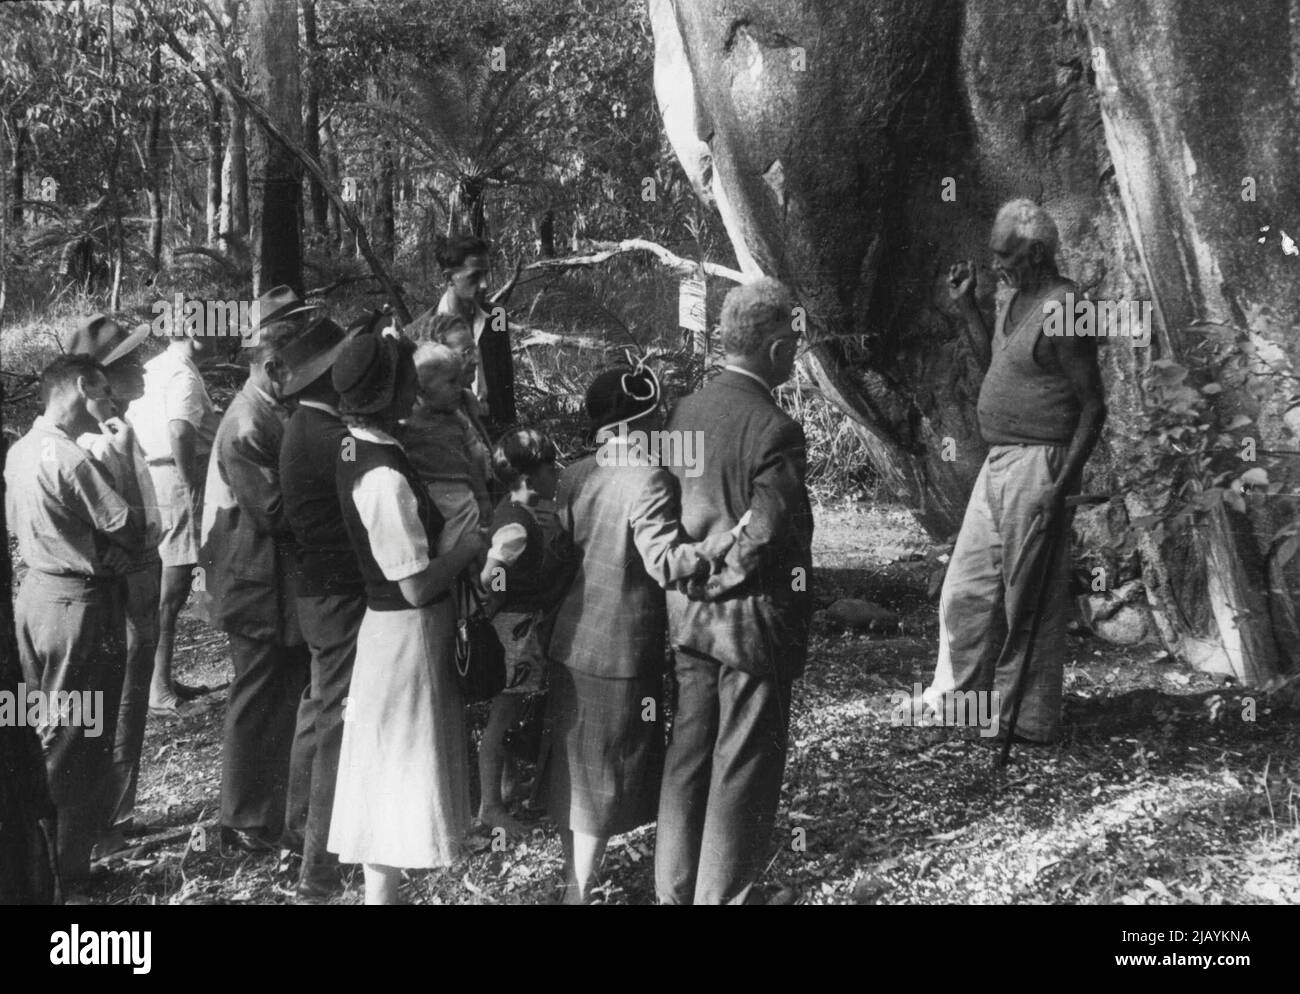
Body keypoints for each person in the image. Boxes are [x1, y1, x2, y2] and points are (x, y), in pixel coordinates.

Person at [546, 364, 735, 904]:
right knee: (602, 780)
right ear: (638, 422)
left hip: (571, 638)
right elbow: (666, 564)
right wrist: (722, 544)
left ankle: (571, 882)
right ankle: (577, 894)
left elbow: (559, 556)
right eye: (654, 418)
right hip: (622, 649)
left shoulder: (574, 473)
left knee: (574, 769)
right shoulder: (649, 478)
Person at [655, 277, 814, 906]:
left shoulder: (684, 411)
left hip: (690, 619)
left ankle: (673, 893)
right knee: (742, 764)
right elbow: (768, 533)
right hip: (750, 624)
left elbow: (666, 509)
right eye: (793, 348)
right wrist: (721, 577)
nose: (796, 359)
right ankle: (721, 899)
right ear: (775, 349)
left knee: (688, 753)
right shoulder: (775, 428)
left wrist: (695, 579)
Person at [923, 199, 1106, 743]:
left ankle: (1024, 720)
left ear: (1036, 251)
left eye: (1004, 254)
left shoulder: (1068, 307)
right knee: (966, 587)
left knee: (1029, 595)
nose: (995, 262)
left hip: (1040, 462)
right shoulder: (1016, 298)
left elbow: (1094, 408)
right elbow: (997, 364)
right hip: (999, 461)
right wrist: (970, 309)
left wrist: (1060, 486)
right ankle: (966, 702)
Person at [327, 330, 484, 905]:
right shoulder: (384, 477)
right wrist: (467, 551)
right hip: (406, 635)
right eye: (408, 385)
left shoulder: (359, 445)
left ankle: (381, 898)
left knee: (386, 768)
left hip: (393, 634)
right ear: (390, 394)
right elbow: (416, 584)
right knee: (399, 767)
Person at [4, 354, 143, 883]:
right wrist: (125, 457)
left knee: (38, 730)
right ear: (79, 387)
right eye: (104, 391)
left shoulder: (18, 451)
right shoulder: (72, 458)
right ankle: (65, 881)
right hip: (79, 610)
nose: (111, 402)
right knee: (76, 744)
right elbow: (131, 528)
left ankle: (51, 868)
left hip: (35, 600)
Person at [199, 292, 325, 854]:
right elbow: (273, 512)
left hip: (281, 583)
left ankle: (269, 809)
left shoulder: (274, 408)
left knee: (282, 694)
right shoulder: (246, 424)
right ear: (272, 367)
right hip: (255, 585)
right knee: (255, 698)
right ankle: (244, 817)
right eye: (296, 372)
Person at [63, 315, 163, 846]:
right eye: (125, 364)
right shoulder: (95, 442)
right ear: (95, 379)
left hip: (143, 569)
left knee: (131, 690)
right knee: (120, 694)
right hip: (125, 578)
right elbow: (119, 522)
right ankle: (108, 817)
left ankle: (115, 809)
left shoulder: (115, 430)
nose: (139, 369)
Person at [275, 313, 357, 901]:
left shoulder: (303, 427)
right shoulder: (331, 439)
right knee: (334, 724)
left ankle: (299, 833)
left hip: (316, 592)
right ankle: (316, 870)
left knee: (318, 710)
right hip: (338, 596)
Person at [475, 428, 571, 833]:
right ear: (530, 478)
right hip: (515, 629)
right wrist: (502, 598)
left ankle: (504, 796)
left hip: (518, 626)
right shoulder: (516, 525)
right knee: (501, 719)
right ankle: (491, 808)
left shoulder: (519, 513)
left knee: (509, 715)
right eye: (551, 467)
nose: (558, 473)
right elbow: (491, 574)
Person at [127, 312, 221, 715]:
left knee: (164, 585)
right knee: (173, 586)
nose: (221, 337)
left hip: (149, 474)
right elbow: (180, 429)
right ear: (195, 333)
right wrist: (191, 483)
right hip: (170, 475)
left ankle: (158, 679)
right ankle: (158, 690)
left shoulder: (158, 366)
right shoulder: (182, 375)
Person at [411, 234, 515, 427]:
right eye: (474, 276)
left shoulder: (497, 316)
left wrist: (511, 430)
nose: (485, 284)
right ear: (448, 278)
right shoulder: (422, 330)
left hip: (495, 427)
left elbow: (505, 379)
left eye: (486, 274)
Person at [403, 341, 490, 550]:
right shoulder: (407, 423)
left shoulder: (456, 418)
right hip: (432, 498)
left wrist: (483, 497)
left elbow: (471, 459)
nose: (459, 389)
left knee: (475, 542)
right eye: (451, 382)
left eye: (460, 382)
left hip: (462, 495)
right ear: (422, 389)